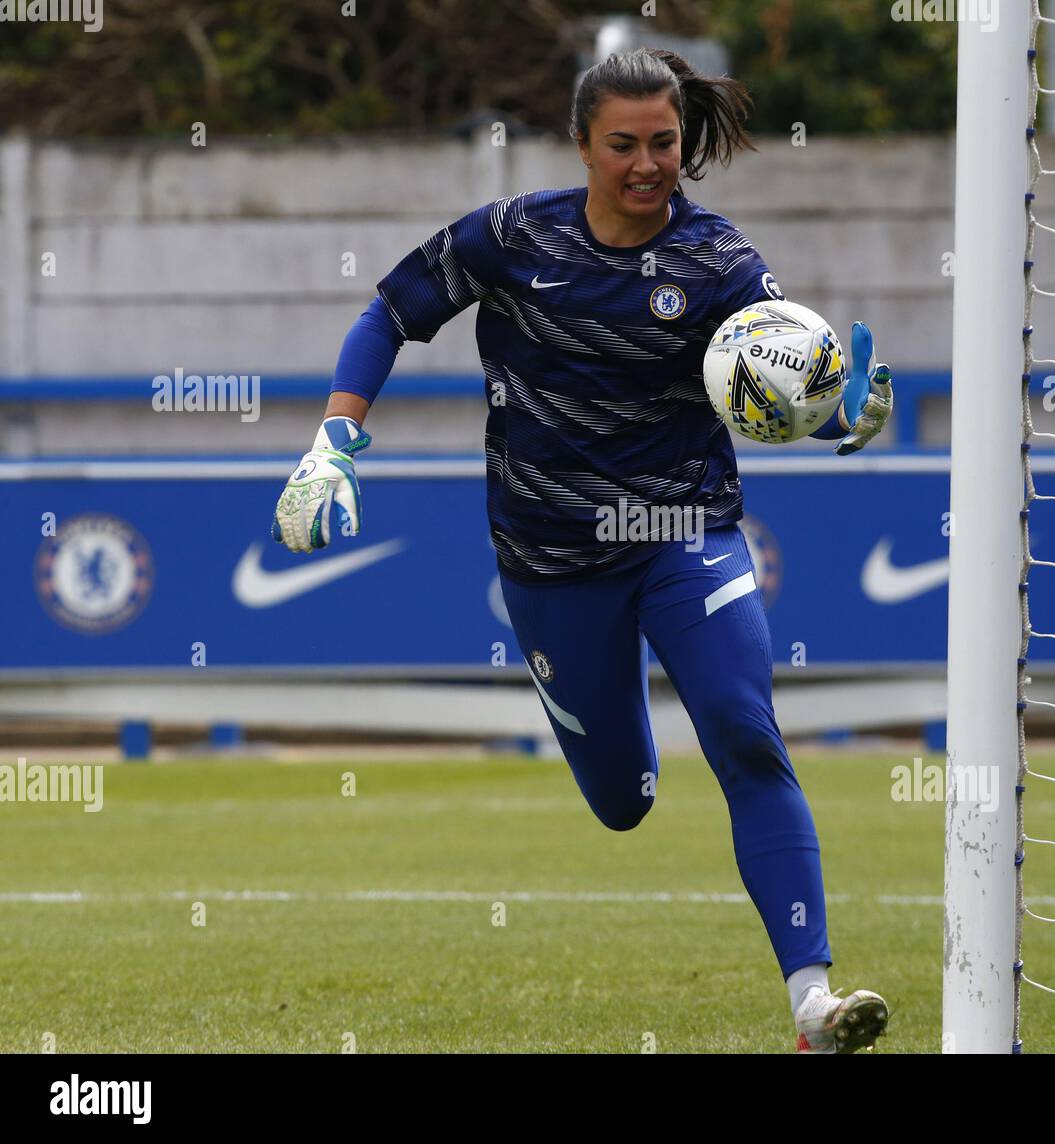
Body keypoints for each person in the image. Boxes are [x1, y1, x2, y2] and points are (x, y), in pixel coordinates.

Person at [272, 47, 895, 1054]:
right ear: (582, 145)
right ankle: (627, 773)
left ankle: (813, 1003)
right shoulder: (513, 237)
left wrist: (843, 413)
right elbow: (389, 312)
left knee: (743, 729)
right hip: (550, 560)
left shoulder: (720, 262)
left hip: (682, 533)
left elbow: (777, 384)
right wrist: (334, 439)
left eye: (664, 142)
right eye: (625, 146)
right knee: (622, 802)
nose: (649, 164)